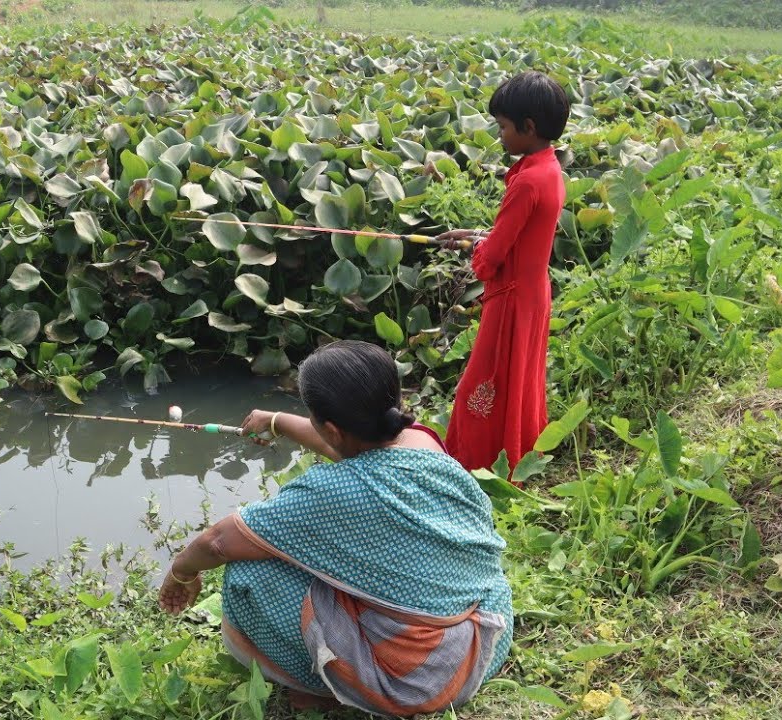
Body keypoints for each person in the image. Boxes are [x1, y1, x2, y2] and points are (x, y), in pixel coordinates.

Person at [157, 340, 512, 716]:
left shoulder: (333, 492)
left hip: (418, 682)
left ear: (331, 428)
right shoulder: (422, 442)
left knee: (249, 573)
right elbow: (352, 447)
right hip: (482, 638)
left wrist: (181, 572)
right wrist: (277, 421)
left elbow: (218, 542)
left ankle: (318, 685)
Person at [436, 71, 570, 475]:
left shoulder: (527, 181)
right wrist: (474, 233)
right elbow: (518, 235)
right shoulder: (548, 169)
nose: (500, 136)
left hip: (511, 298)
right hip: (532, 293)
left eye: (503, 127)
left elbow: (491, 257)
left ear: (528, 127)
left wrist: (477, 246)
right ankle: (516, 453)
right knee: (519, 380)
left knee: (482, 383)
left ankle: (477, 464)